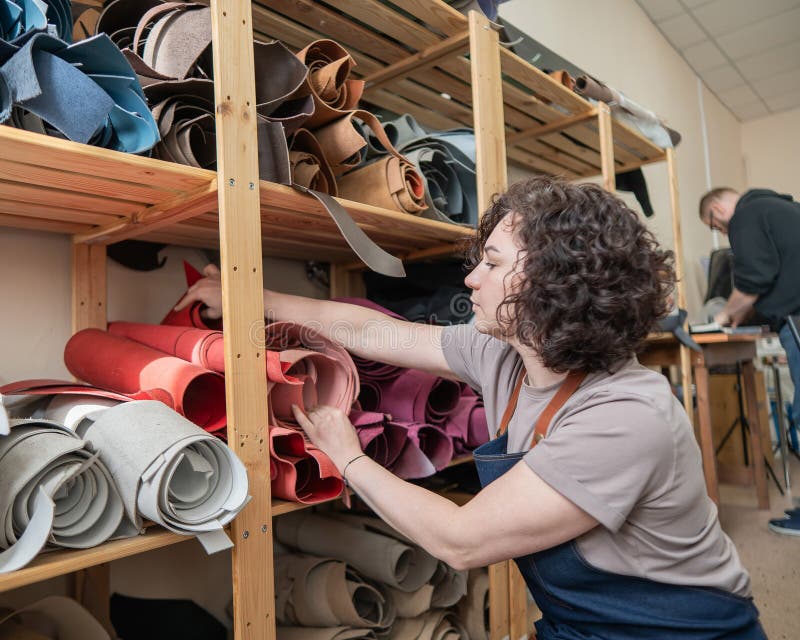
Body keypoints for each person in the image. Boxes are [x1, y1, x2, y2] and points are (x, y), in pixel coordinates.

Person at [179, 177, 764, 639]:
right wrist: (248, 299)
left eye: (492, 261)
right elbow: (376, 332)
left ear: (553, 281)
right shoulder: (505, 356)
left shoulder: (624, 414)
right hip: (581, 625)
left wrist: (348, 457)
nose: (471, 277)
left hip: (679, 630)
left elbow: (462, 541)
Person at [699, 187, 800, 537]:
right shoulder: (780, 207)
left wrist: (723, 317)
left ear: (718, 208)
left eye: (716, 226)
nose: (723, 233)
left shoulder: (746, 215)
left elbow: (753, 277)